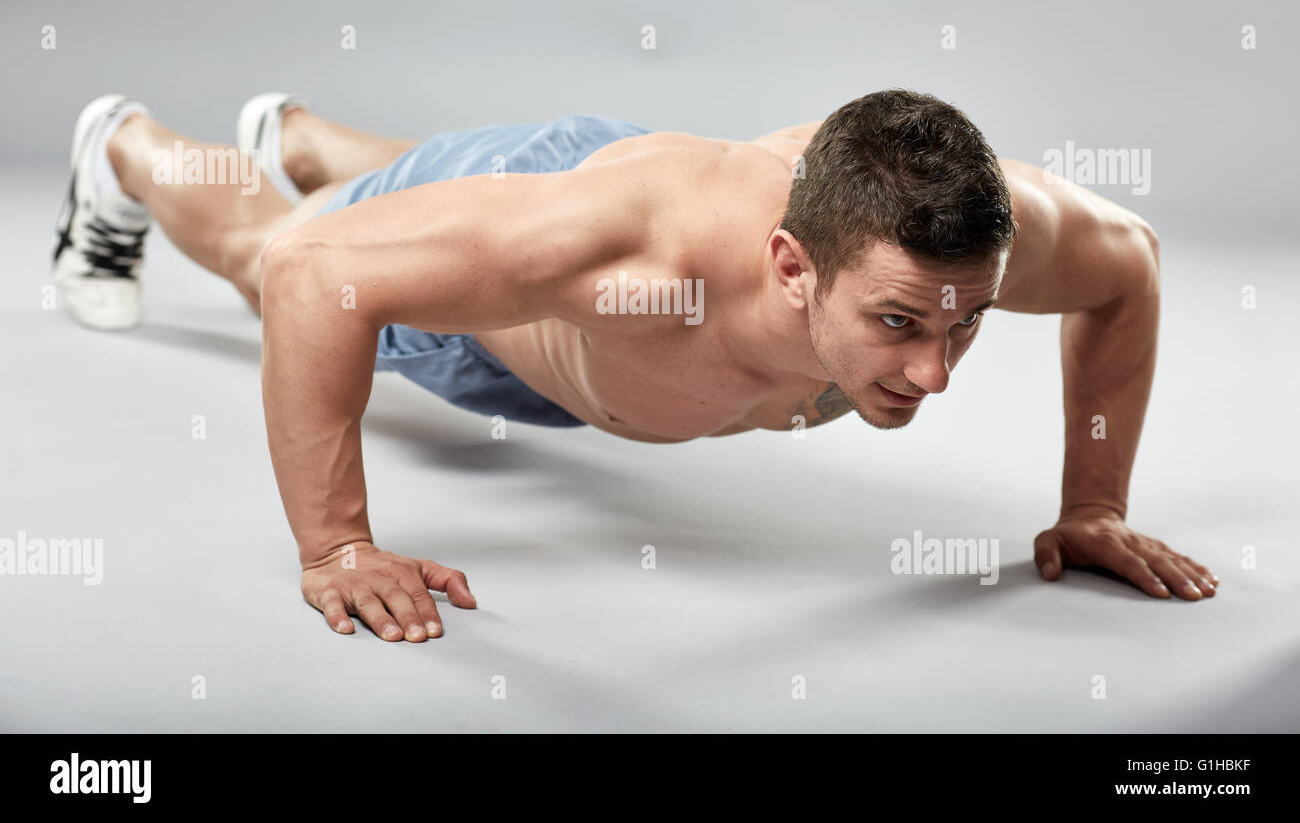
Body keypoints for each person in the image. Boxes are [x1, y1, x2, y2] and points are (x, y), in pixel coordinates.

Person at [51, 88, 1218, 643]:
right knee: (269, 254)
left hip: (574, 248)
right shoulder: (624, 250)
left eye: (968, 322)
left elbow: (1134, 268)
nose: (938, 372)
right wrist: (338, 543)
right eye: (903, 323)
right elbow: (321, 280)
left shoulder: (972, 229)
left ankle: (300, 136)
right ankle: (128, 146)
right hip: (519, 313)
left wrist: (1093, 501)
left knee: (492, 213)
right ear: (791, 264)